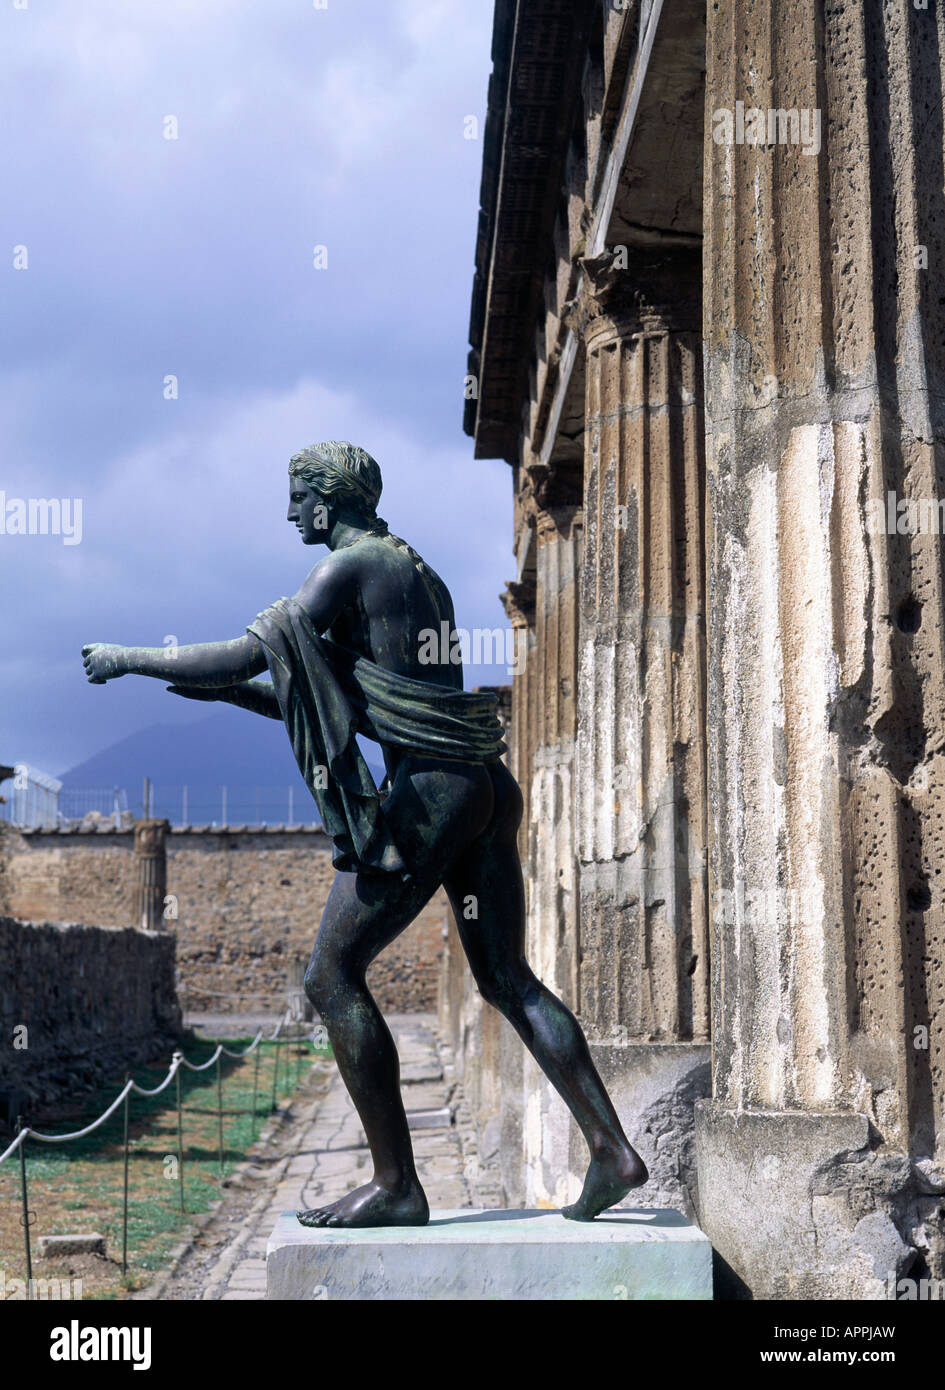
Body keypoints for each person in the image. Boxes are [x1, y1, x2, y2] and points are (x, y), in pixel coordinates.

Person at [82, 440, 647, 1226]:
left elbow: (250, 651)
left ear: (328, 496)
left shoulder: (344, 570)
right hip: (482, 784)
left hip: (428, 794)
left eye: (296, 495)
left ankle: (395, 1185)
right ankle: (612, 1152)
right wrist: (234, 699)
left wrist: (128, 659)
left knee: (330, 974)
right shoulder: (418, 574)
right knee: (506, 979)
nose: (288, 513)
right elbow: (359, 702)